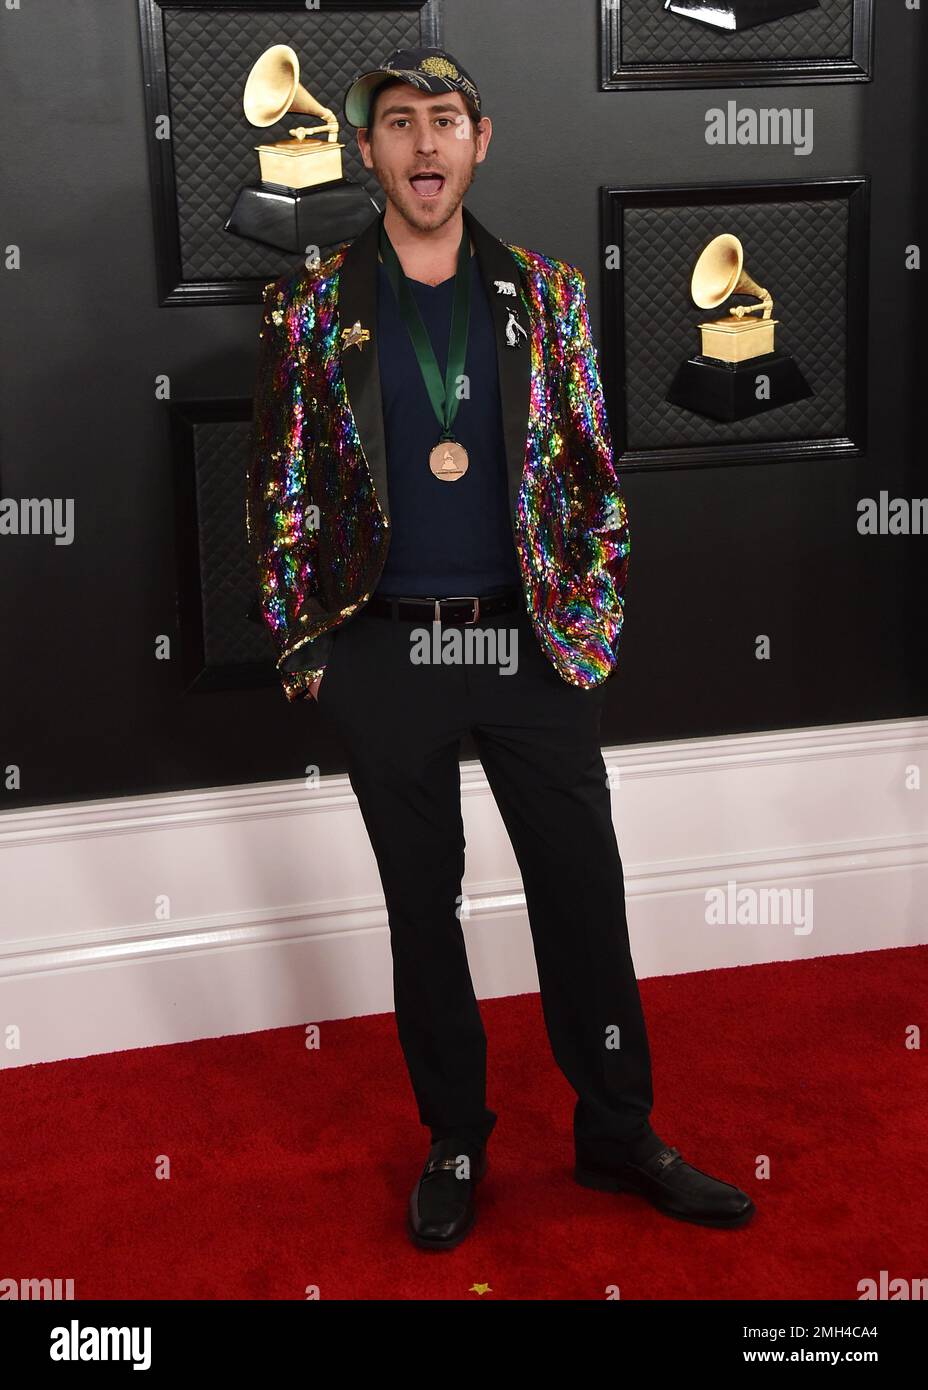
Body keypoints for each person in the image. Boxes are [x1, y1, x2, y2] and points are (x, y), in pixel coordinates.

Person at [247, 46, 754, 1249]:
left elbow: (593, 478)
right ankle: (458, 1135)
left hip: (526, 645)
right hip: (386, 649)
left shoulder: (551, 294)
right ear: (366, 151)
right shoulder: (314, 306)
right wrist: (308, 649)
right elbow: (278, 486)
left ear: (482, 141)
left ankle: (618, 1132)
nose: (425, 146)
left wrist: (592, 618)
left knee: (584, 894)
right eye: (401, 125)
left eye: (446, 122)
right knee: (422, 909)